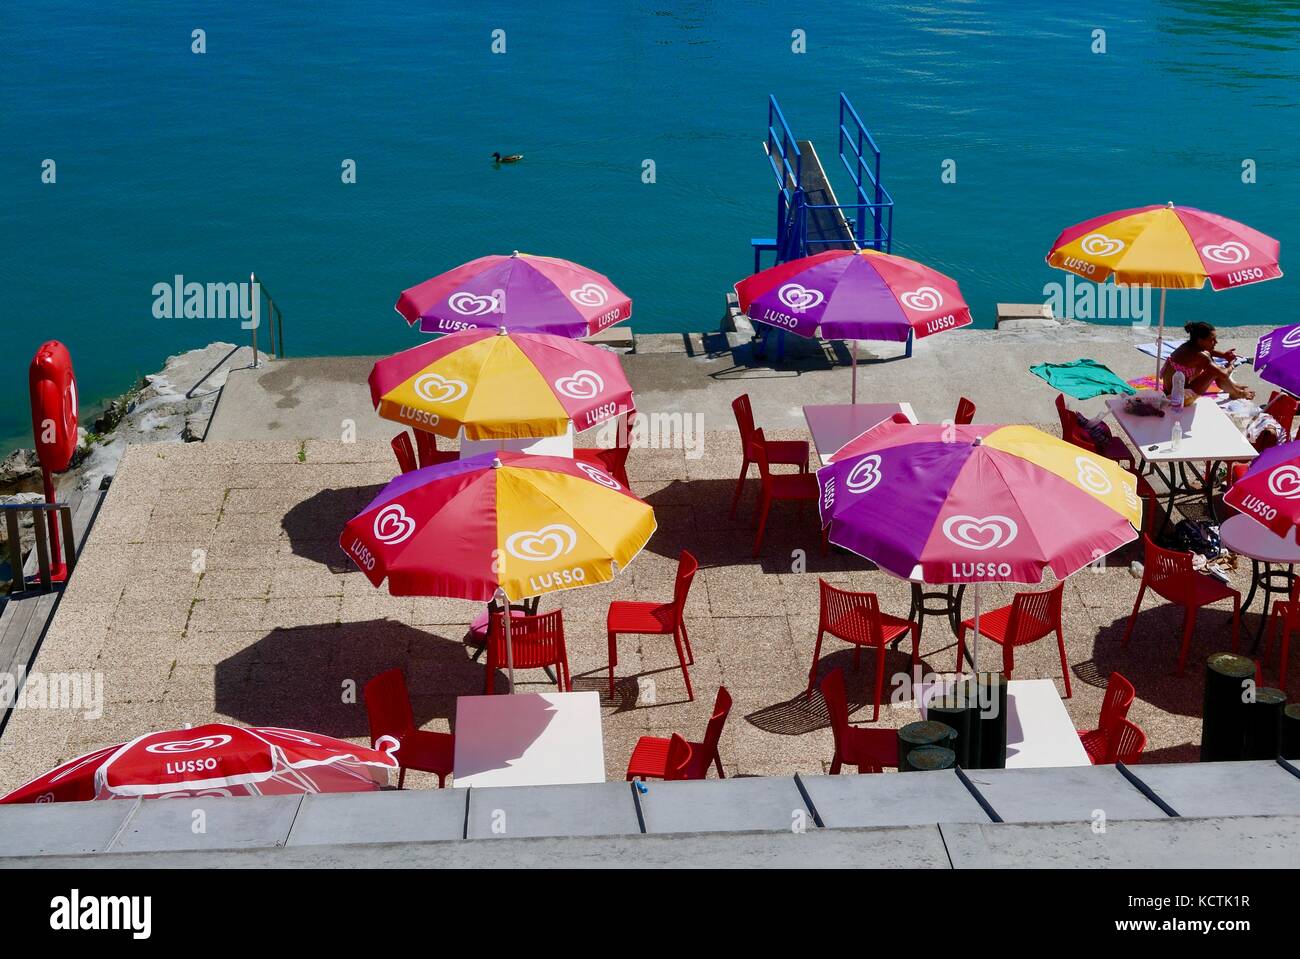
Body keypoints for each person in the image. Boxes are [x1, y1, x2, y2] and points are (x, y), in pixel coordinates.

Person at [1160, 321, 1254, 400]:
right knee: (1216, 371)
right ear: (1200, 340)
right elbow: (1224, 374)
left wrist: (1224, 355)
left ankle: (1233, 388)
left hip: (1170, 388)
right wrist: (1231, 363)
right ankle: (1237, 393)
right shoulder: (1201, 356)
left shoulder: (1188, 346)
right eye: (1212, 340)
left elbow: (1208, 351)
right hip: (1178, 396)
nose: (1216, 342)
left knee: (1213, 366)